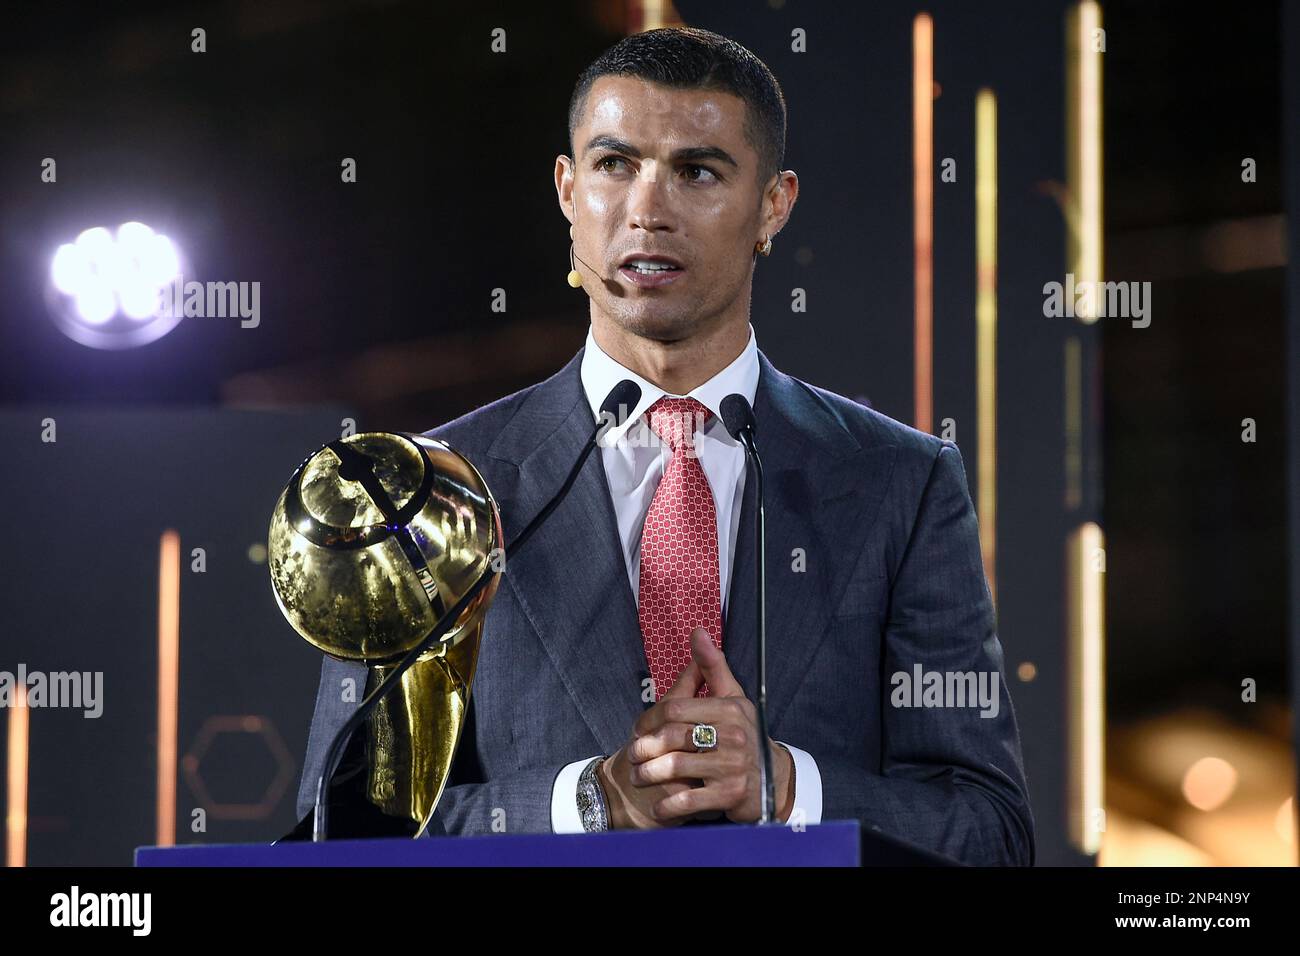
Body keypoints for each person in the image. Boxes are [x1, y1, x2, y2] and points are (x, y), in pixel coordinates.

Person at [297, 26, 1034, 865]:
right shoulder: (429, 491)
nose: (648, 208)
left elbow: (990, 835)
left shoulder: (904, 482)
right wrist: (593, 801)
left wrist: (785, 786)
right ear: (568, 190)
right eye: (615, 164)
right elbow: (342, 834)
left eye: (697, 171)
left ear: (774, 204)